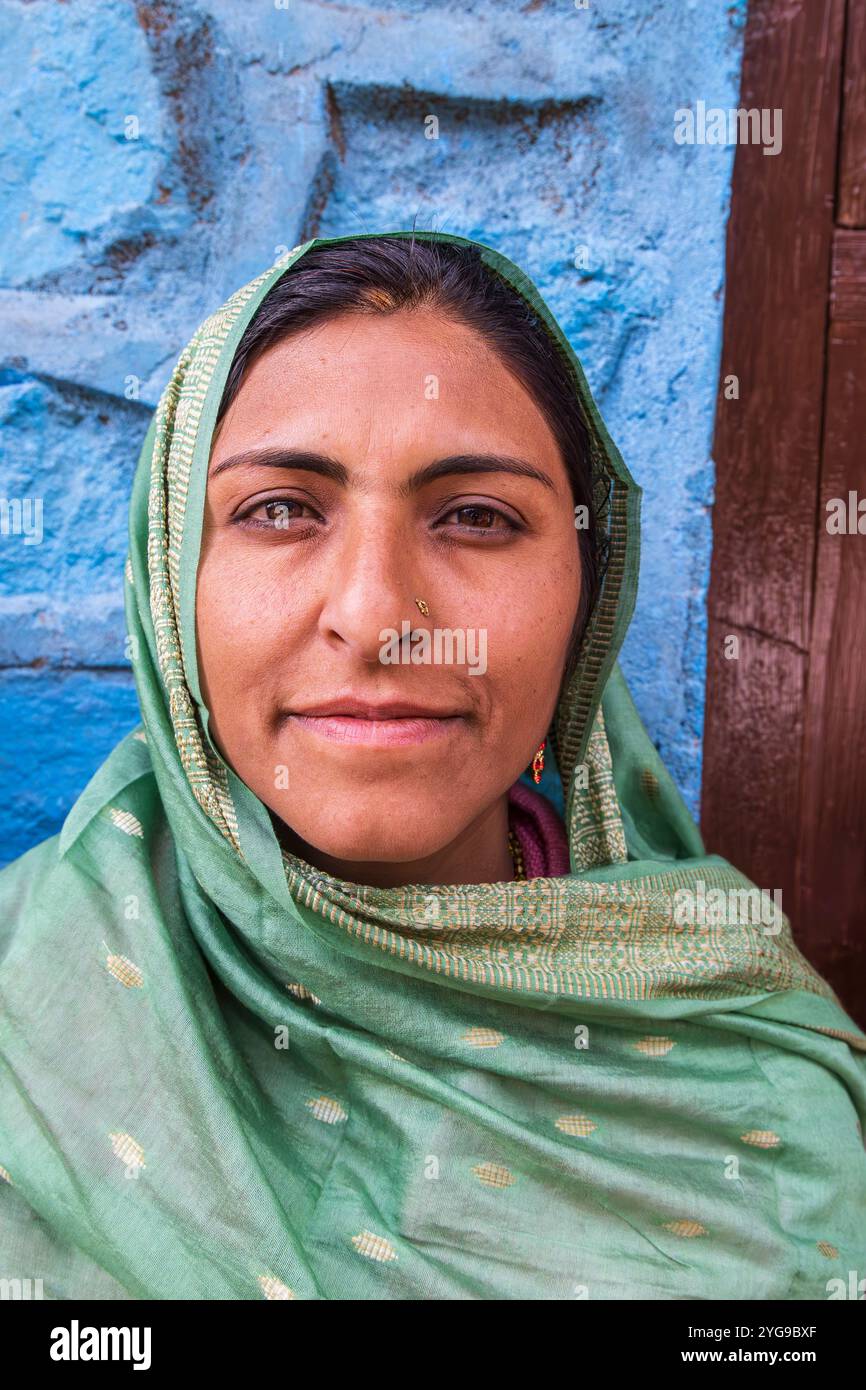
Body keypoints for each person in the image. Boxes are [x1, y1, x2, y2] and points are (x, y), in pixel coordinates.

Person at [0, 231, 863, 1300]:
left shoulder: (745, 1072)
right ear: (171, 582)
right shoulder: (23, 1022)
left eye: (474, 517)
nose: (372, 618)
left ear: (584, 610)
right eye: (279, 509)